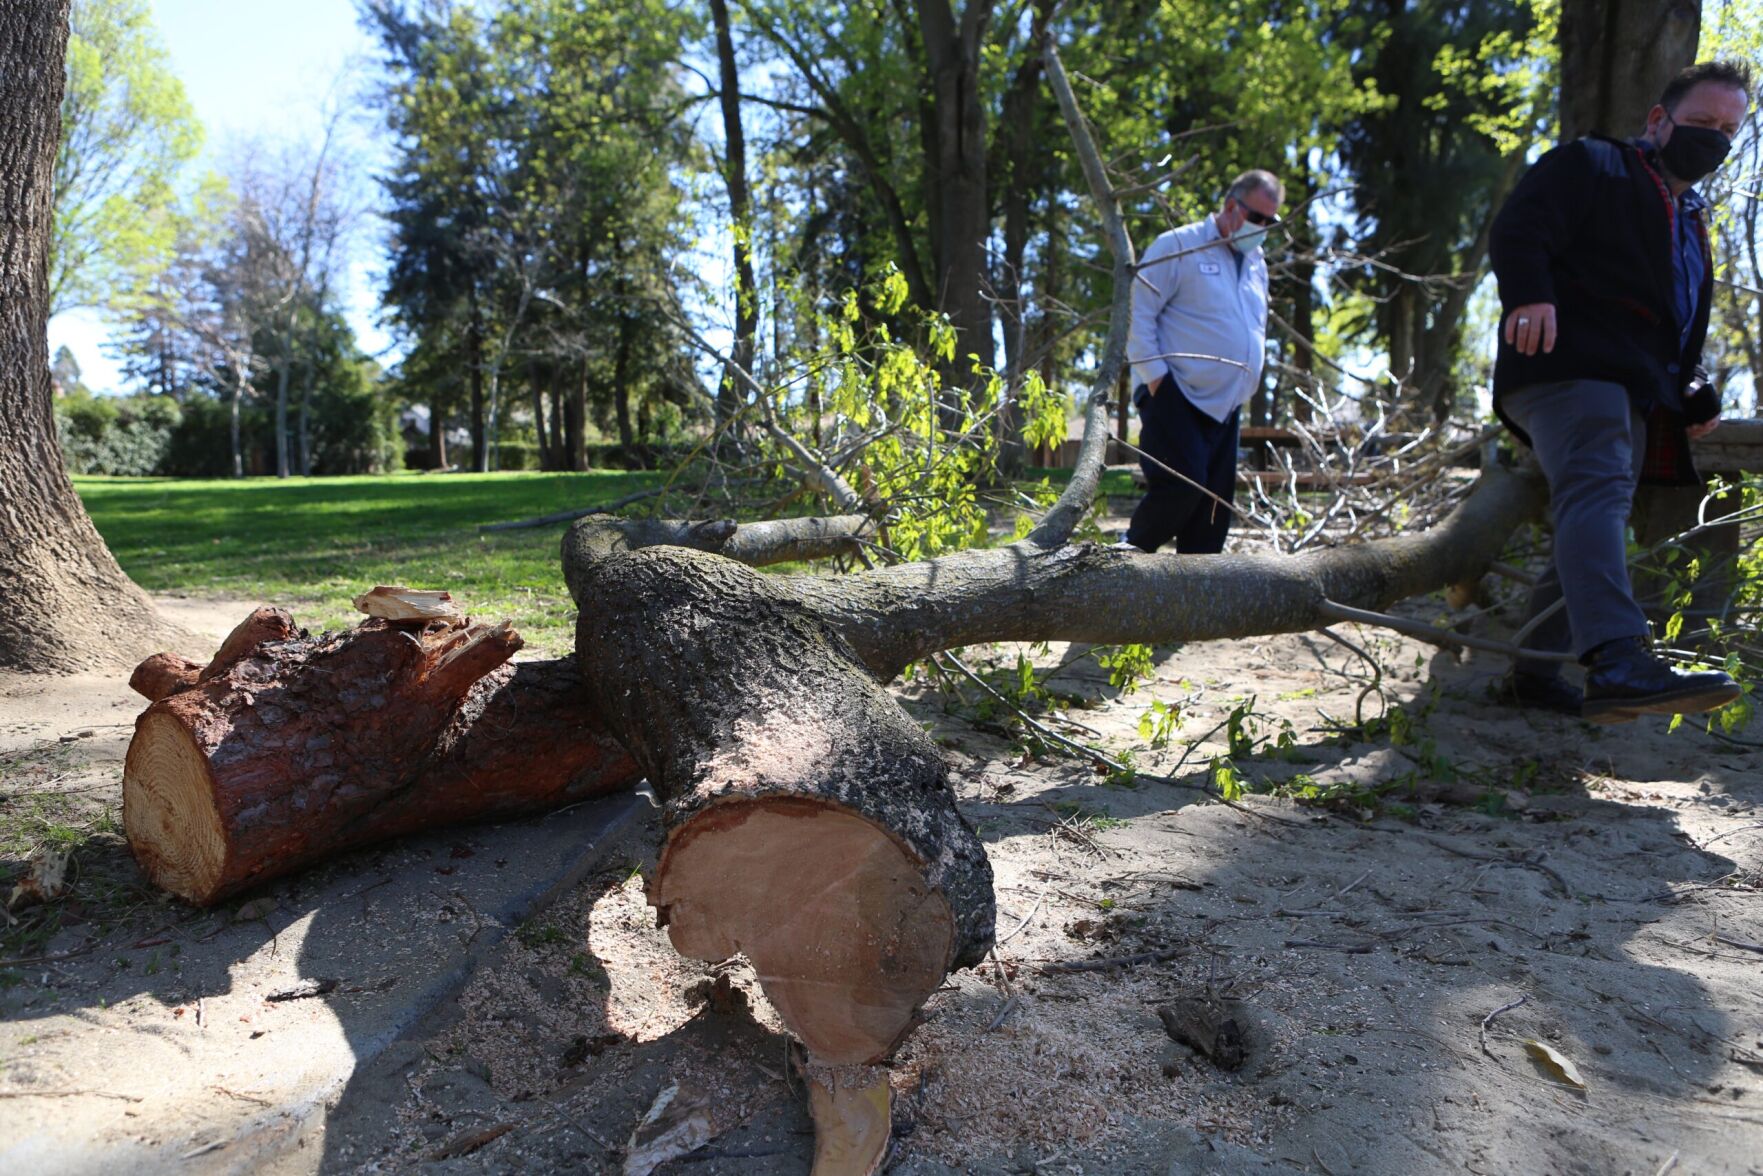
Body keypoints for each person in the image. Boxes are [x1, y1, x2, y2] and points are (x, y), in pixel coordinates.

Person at [1489, 61, 1748, 723]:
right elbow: (1520, 226)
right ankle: (1615, 658)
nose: (1713, 138)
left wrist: (1692, 387)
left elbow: (1673, 324)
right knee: (1598, 490)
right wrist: (1529, 295)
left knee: (1594, 501)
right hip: (1563, 366)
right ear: (1658, 120)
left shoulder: (1689, 218)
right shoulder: (1592, 163)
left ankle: (1532, 673)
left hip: (1629, 388)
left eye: (1728, 129)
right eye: (1700, 123)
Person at [1119, 169, 1282, 554]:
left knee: (1212, 512)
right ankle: (1124, 560)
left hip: (1226, 408)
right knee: (1182, 484)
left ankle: (1197, 605)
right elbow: (1136, 312)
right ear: (1230, 206)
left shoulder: (1257, 265)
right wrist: (1157, 380)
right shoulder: (1180, 245)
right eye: (1256, 218)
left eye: (1269, 222)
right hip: (1175, 395)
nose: (1261, 228)